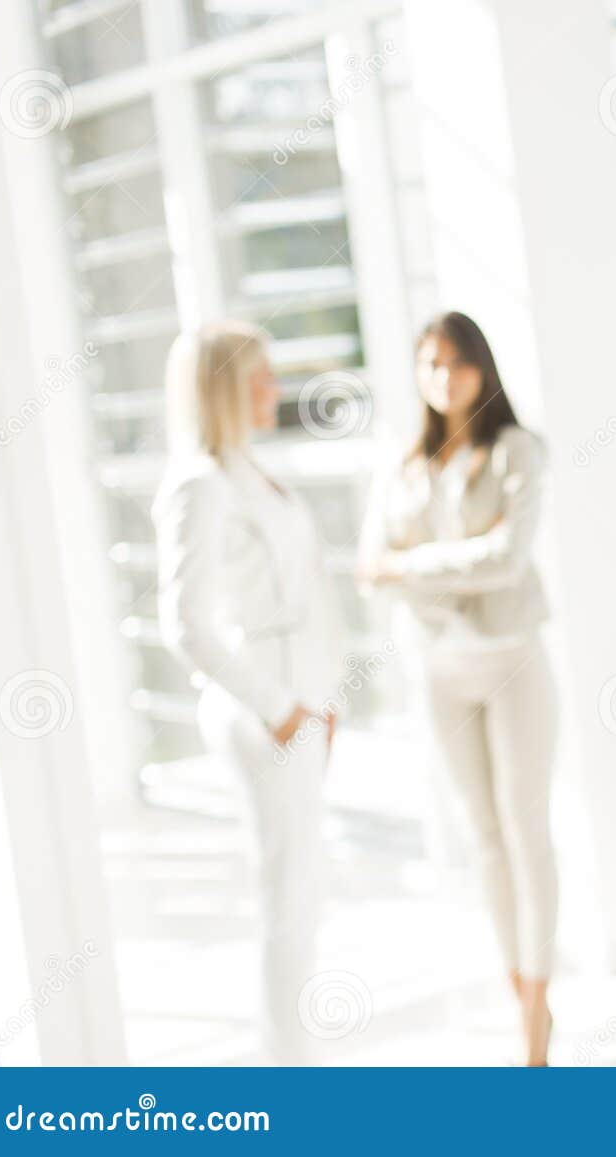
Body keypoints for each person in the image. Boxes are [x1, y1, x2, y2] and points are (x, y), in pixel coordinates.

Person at [358, 312, 559, 1067]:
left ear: (484, 368)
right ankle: (521, 1001)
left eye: (459, 363)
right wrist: (457, 556)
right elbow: (368, 561)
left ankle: (537, 1012)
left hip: (512, 657)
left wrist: (414, 564)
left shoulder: (515, 450)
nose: (445, 379)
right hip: (439, 665)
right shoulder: (404, 464)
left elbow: (507, 563)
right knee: (483, 836)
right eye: (431, 365)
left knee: (525, 828)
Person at [154, 322, 345, 1064]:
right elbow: (187, 624)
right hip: (263, 710)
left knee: (305, 893)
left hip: (302, 702)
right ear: (225, 388)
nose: (274, 389)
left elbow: (309, 592)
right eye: (258, 377)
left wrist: (326, 703)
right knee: (289, 902)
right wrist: (282, 709)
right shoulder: (198, 485)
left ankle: (298, 1066)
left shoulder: (252, 472)